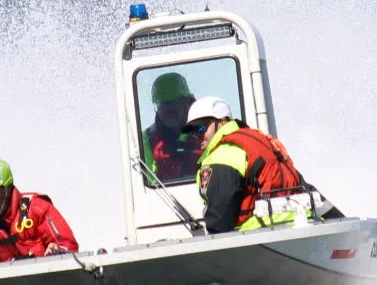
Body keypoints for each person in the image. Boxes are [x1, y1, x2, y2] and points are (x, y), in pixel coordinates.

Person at [181, 97, 340, 234]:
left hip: (260, 236)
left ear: (222, 122)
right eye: (193, 131)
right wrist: (339, 220)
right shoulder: (260, 141)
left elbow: (220, 216)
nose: (198, 135)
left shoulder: (222, 155)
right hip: (302, 226)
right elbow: (301, 186)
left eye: (201, 128)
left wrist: (216, 249)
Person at [0, 158, 79, 263]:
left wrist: (58, 251)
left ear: (7, 189)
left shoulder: (37, 208)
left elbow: (69, 246)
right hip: (16, 281)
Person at [142, 72, 200, 183]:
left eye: (173, 102)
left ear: (187, 102)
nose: (168, 109)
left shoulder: (205, 131)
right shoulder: (146, 139)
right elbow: (144, 183)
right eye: (163, 104)